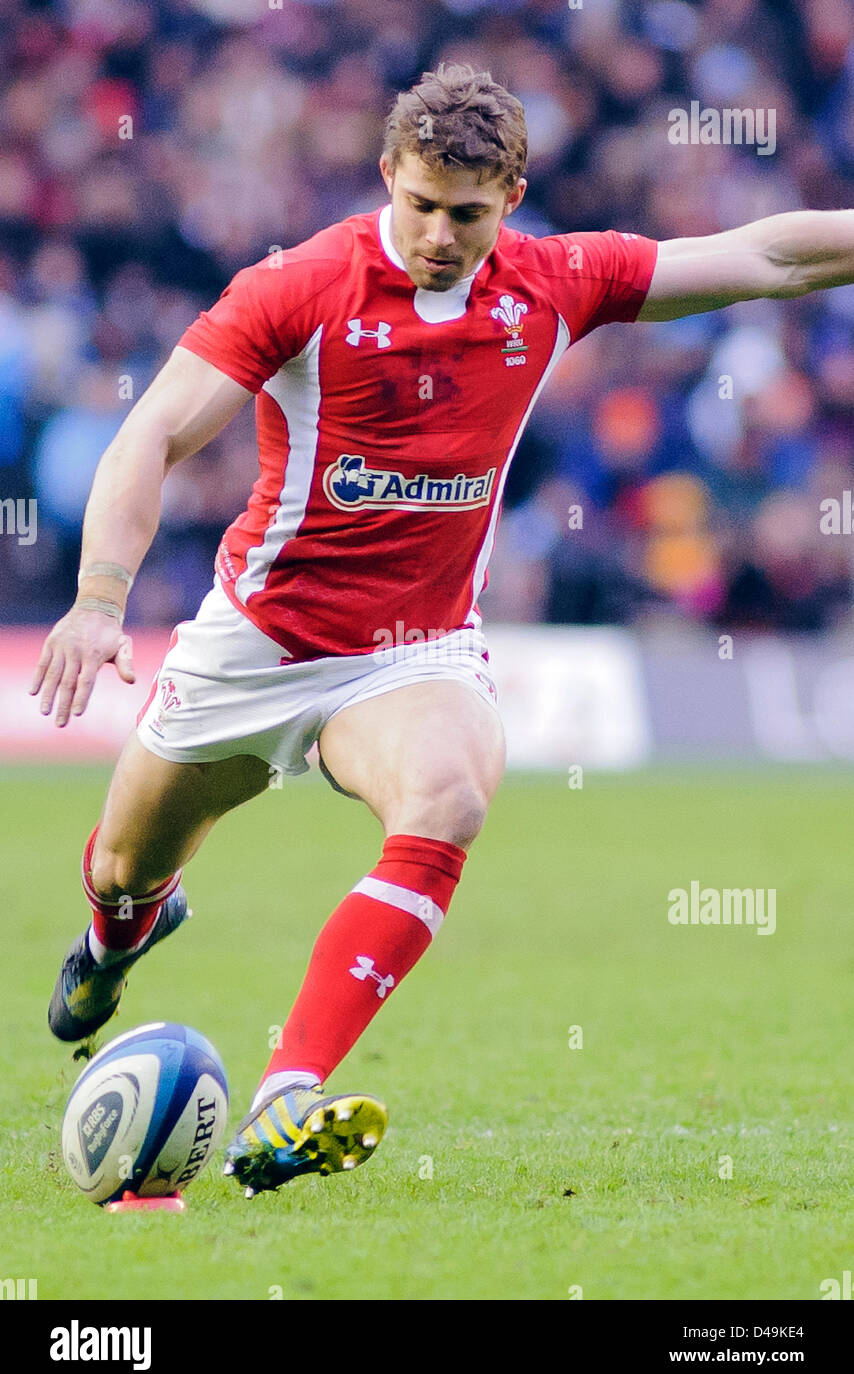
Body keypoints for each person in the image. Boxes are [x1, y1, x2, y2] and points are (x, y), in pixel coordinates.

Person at [33, 63, 854, 1198]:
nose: (435, 233)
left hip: (411, 652)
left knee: (448, 797)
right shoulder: (302, 284)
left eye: (465, 213)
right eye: (418, 203)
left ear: (510, 197)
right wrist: (99, 597)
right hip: (257, 643)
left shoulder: (553, 282)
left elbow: (762, 257)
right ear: (387, 176)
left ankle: (286, 1093)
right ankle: (116, 942)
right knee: (124, 870)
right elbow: (154, 433)